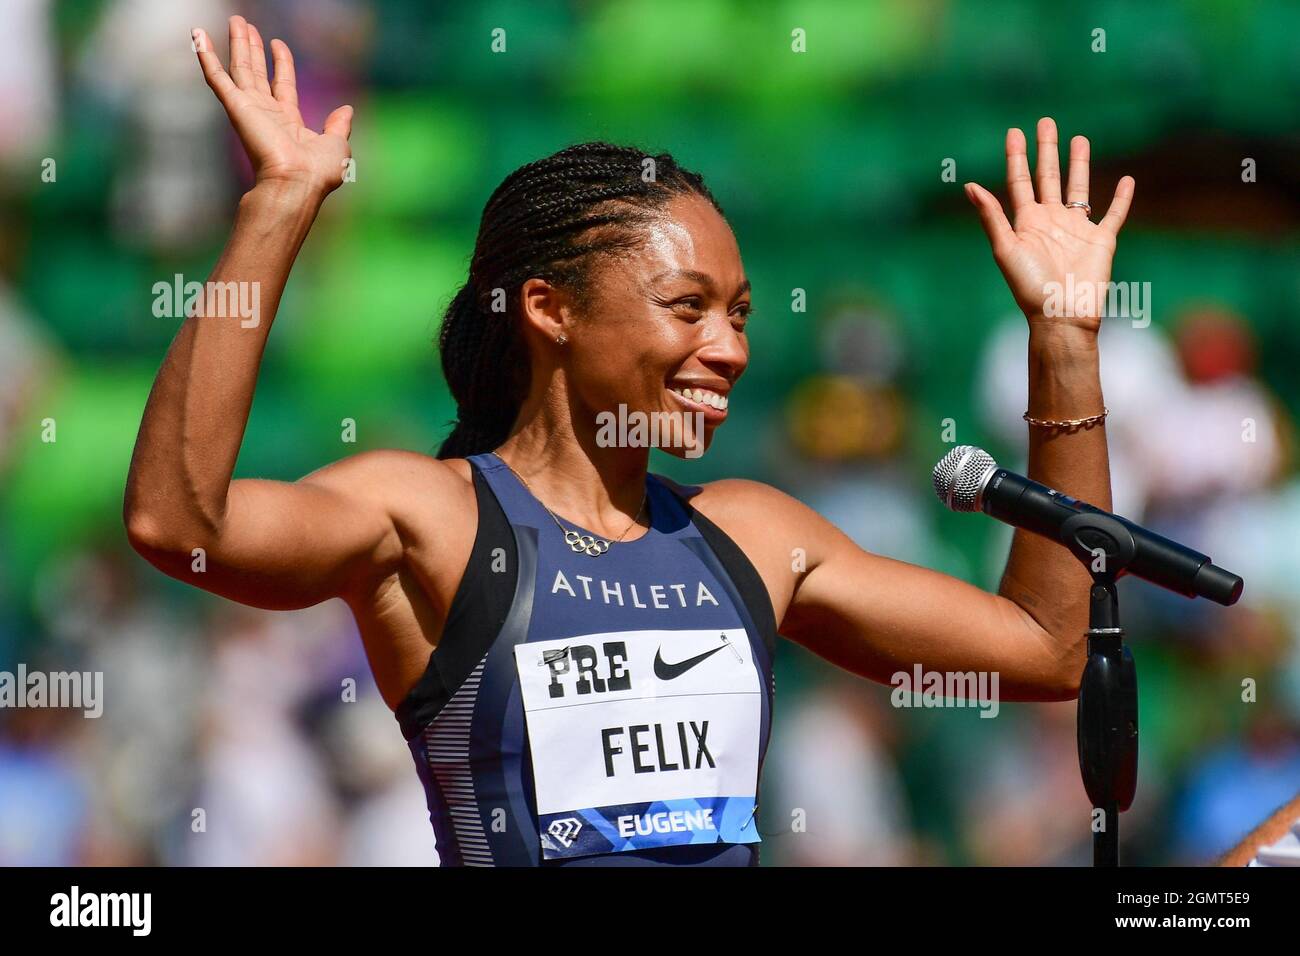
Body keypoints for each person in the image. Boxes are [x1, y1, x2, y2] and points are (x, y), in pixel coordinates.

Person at [124, 15, 1136, 866]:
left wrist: (1062, 338)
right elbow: (179, 520)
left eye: (739, 313)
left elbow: (1046, 648)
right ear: (548, 309)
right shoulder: (431, 516)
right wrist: (279, 203)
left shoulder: (752, 535)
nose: (729, 348)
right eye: (687, 306)